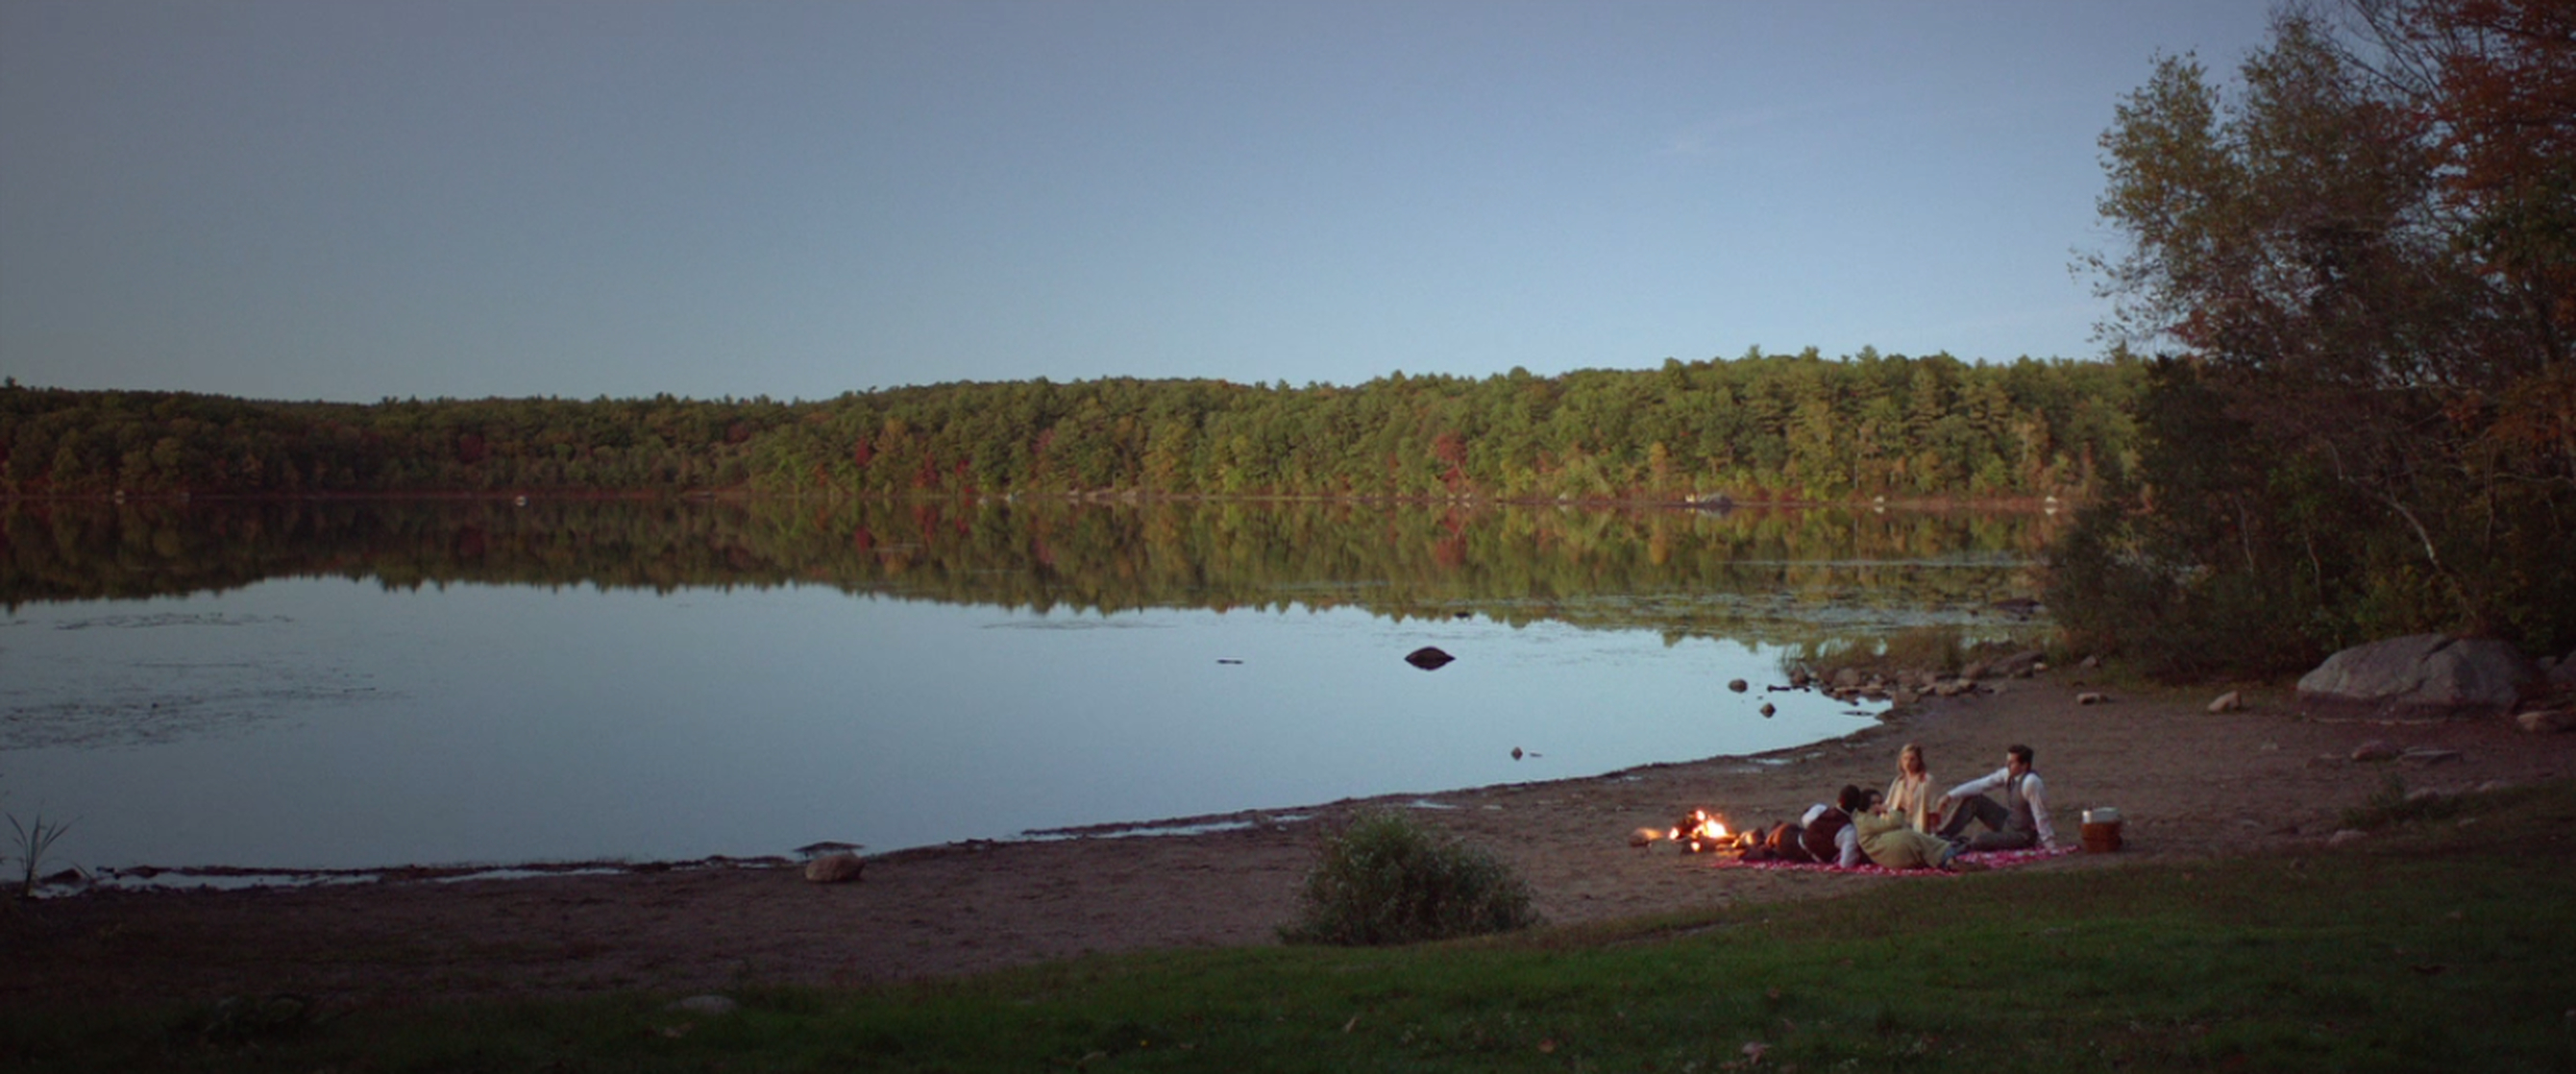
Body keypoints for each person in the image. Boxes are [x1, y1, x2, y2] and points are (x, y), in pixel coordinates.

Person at [1934, 744, 2057, 851]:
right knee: (1975, 800)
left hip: (2022, 835)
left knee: (1980, 840)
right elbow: (1982, 784)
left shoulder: (2032, 783)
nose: (2007, 765)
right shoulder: (2008, 774)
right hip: (2008, 822)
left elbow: (2040, 814)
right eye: (2007, 761)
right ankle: (1940, 838)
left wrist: (2049, 844)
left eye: (2012, 763)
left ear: (2024, 765)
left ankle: (1953, 848)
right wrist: (1949, 796)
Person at [1797, 785, 1872, 867]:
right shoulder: (1849, 831)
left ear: (1839, 800)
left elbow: (1805, 820)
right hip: (1806, 855)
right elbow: (1846, 864)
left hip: (1796, 840)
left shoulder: (1820, 809)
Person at [1884, 742, 1939, 833]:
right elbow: (1889, 805)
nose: (1908, 763)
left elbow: (1933, 808)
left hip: (1920, 826)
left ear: (1919, 761)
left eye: (1912, 759)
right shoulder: (1898, 782)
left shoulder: (1927, 781)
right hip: (1900, 826)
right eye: (1905, 759)